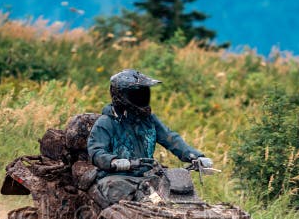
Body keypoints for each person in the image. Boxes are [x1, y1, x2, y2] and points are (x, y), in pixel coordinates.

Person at [87, 69, 212, 206]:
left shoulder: (149, 120)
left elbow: (171, 138)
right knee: (126, 198)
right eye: (136, 94)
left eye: (144, 93)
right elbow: (96, 152)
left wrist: (195, 156)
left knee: (178, 195)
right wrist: (116, 162)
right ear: (121, 95)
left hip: (146, 177)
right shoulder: (106, 122)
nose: (141, 98)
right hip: (116, 178)